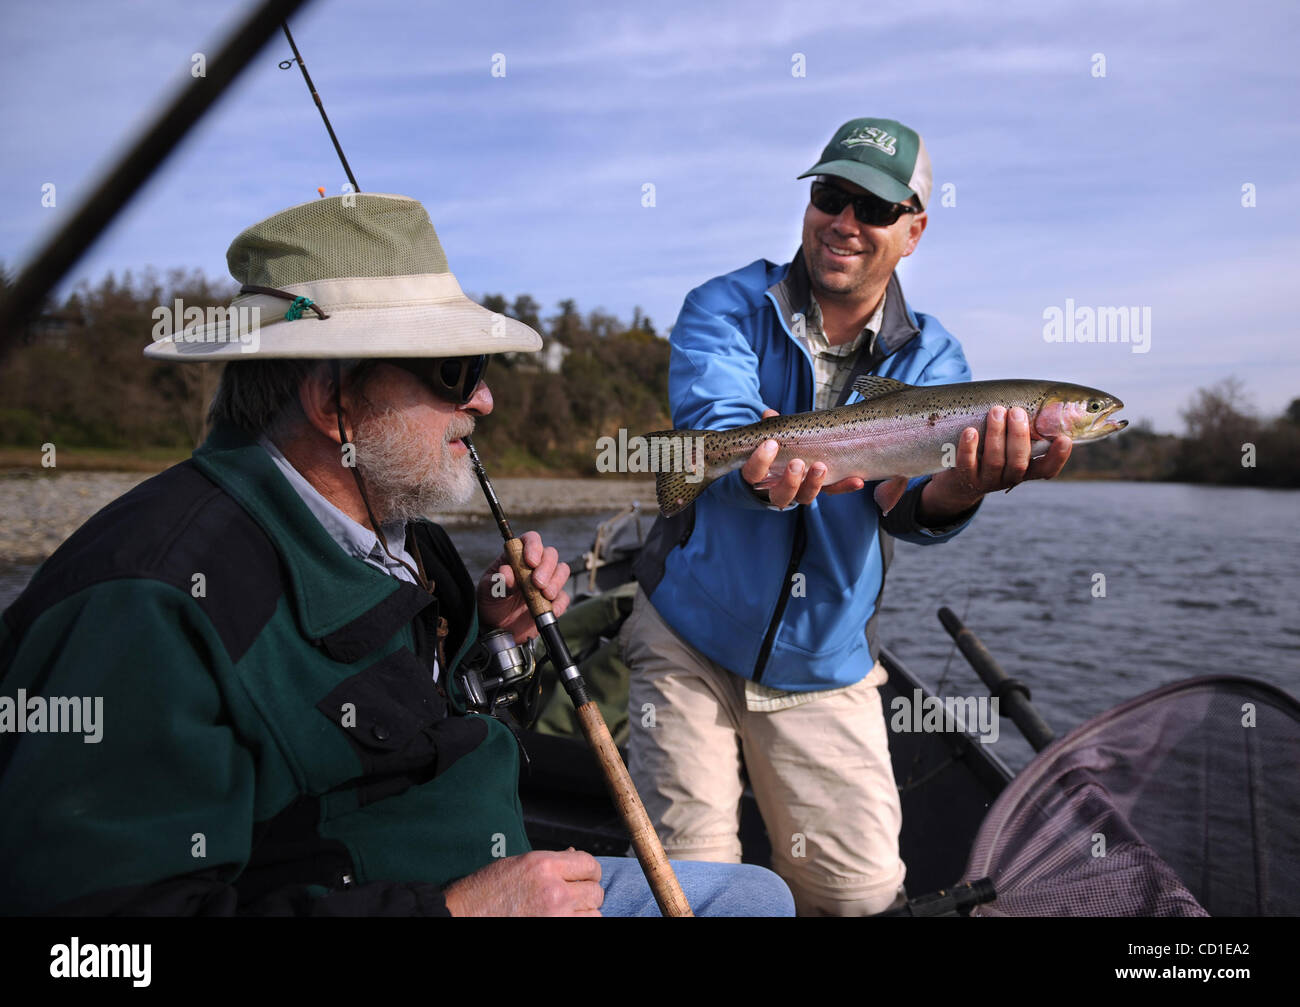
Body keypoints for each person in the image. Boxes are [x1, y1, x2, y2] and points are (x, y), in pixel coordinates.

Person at [0, 193, 793, 917]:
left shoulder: (400, 532)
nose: (483, 399)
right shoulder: (148, 604)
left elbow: (413, 737)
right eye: (455, 372)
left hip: (499, 877)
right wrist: (458, 913)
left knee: (752, 894)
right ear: (333, 399)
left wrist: (498, 640)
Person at [623, 118, 1074, 915]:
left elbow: (911, 510)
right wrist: (764, 471)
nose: (846, 221)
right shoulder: (724, 306)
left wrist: (966, 487)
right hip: (685, 634)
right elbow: (721, 421)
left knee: (860, 899)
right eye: (831, 194)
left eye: (873, 207)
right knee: (687, 890)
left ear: (913, 231)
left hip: (823, 657)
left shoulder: (937, 363)